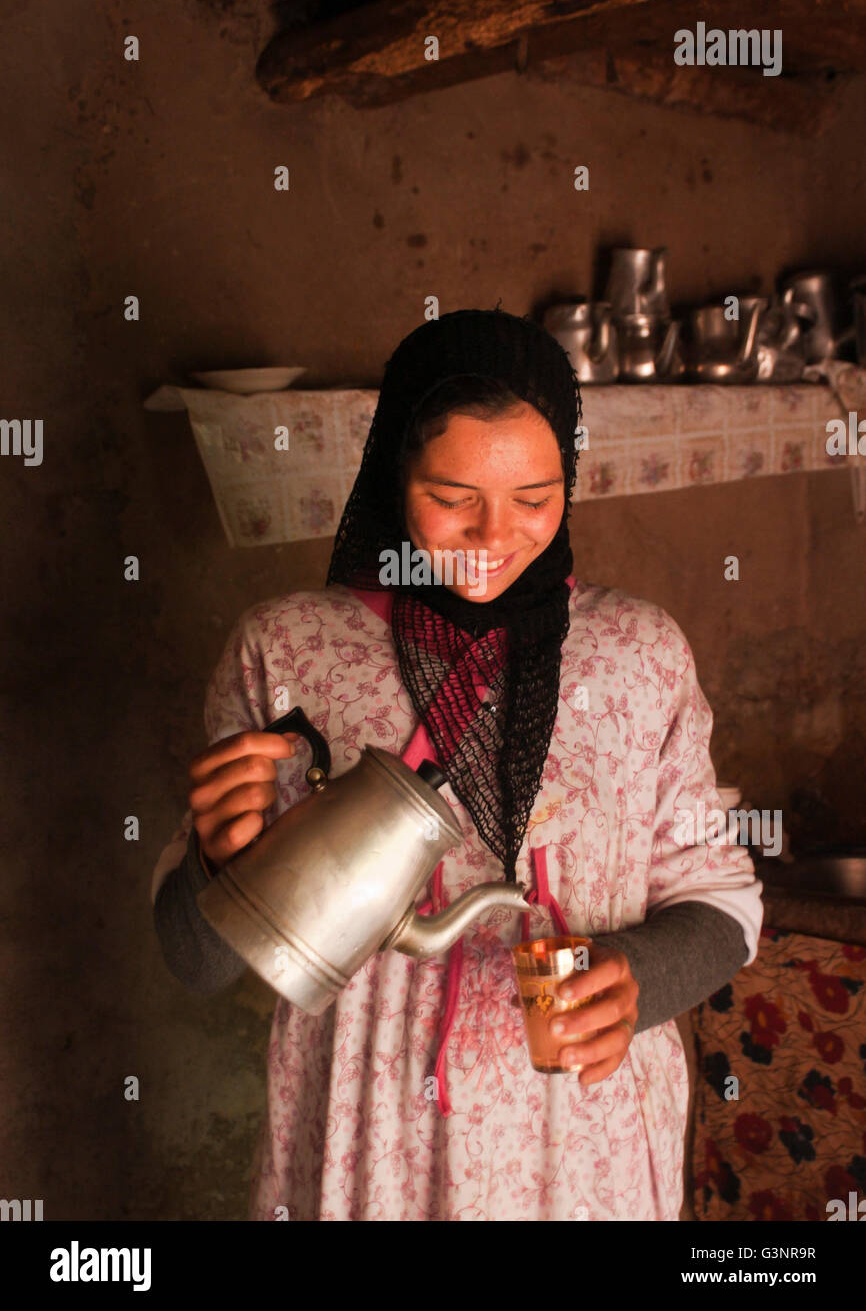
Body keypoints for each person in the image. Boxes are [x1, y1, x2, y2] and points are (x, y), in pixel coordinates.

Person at [152, 307, 763, 1221]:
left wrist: (639, 979)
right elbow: (198, 963)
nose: (494, 535)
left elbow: (723, 900)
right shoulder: (290, 652)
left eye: (534, 498)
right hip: (370, 1138)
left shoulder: (639, 654)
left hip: (581, 1144)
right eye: (452, 496)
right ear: (394, 473)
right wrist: (215, 856)